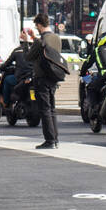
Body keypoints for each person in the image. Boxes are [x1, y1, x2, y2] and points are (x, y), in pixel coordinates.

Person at [25, 12, 62, 149]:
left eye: (36, 26)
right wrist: (35, 38)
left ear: (39, 25)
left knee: (45, 109)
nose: (37, 28)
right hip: (53, 76)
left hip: (42, 77)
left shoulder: (41, 41)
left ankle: (49, 140)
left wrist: (26, 42)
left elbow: (28, 57)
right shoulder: (56, 38)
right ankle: (55, 139)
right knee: (52, 109)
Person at [79, 30, 106, 119]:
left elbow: (87, 63)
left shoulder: (97, 50)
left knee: (90, 87)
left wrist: (82, 73)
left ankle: (95, 108)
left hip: (103, 78)